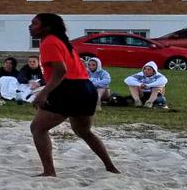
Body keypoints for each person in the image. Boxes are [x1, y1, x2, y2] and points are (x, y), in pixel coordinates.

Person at [27, 13, 119, 178]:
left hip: (67, 89)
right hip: (86, 88)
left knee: (37, 128)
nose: (30, 26)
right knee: (84, 131)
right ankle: (111, 167)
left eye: (35, 24)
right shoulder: (62, 41)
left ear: (47, 27)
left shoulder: (49, 42)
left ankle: (49, 171)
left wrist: (44, 92)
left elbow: (61, 70)